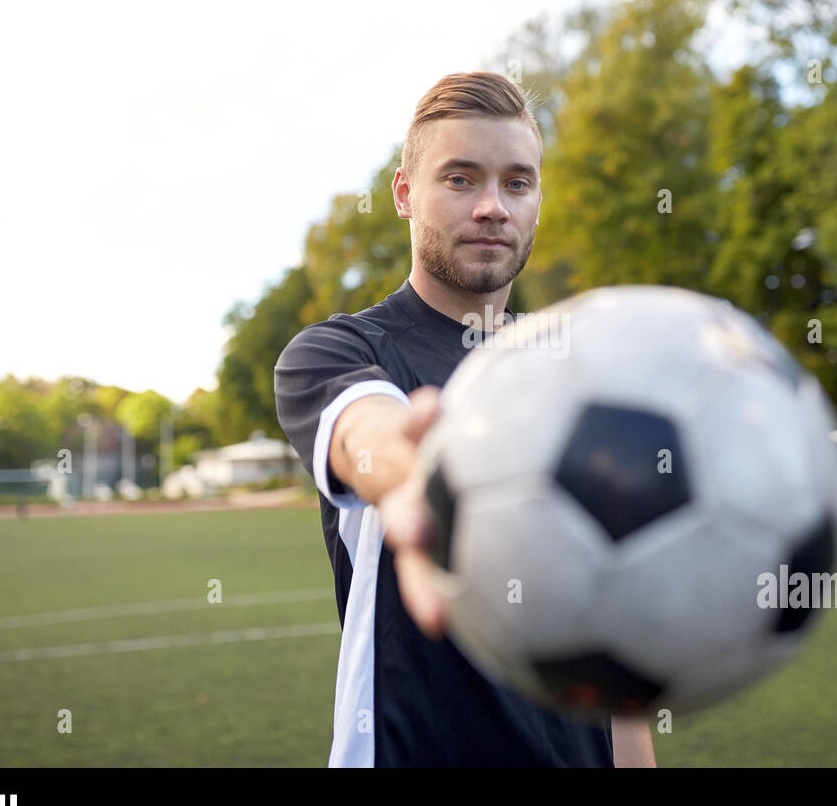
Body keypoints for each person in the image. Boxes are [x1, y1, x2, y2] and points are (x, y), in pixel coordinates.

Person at [274, 71, 656, 767]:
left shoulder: (580, 370)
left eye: (517, 182)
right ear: (404, 193)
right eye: (460, 179)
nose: (492, 207)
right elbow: (369, 431)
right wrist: (419, 477)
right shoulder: (340, 351)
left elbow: (618, 642)